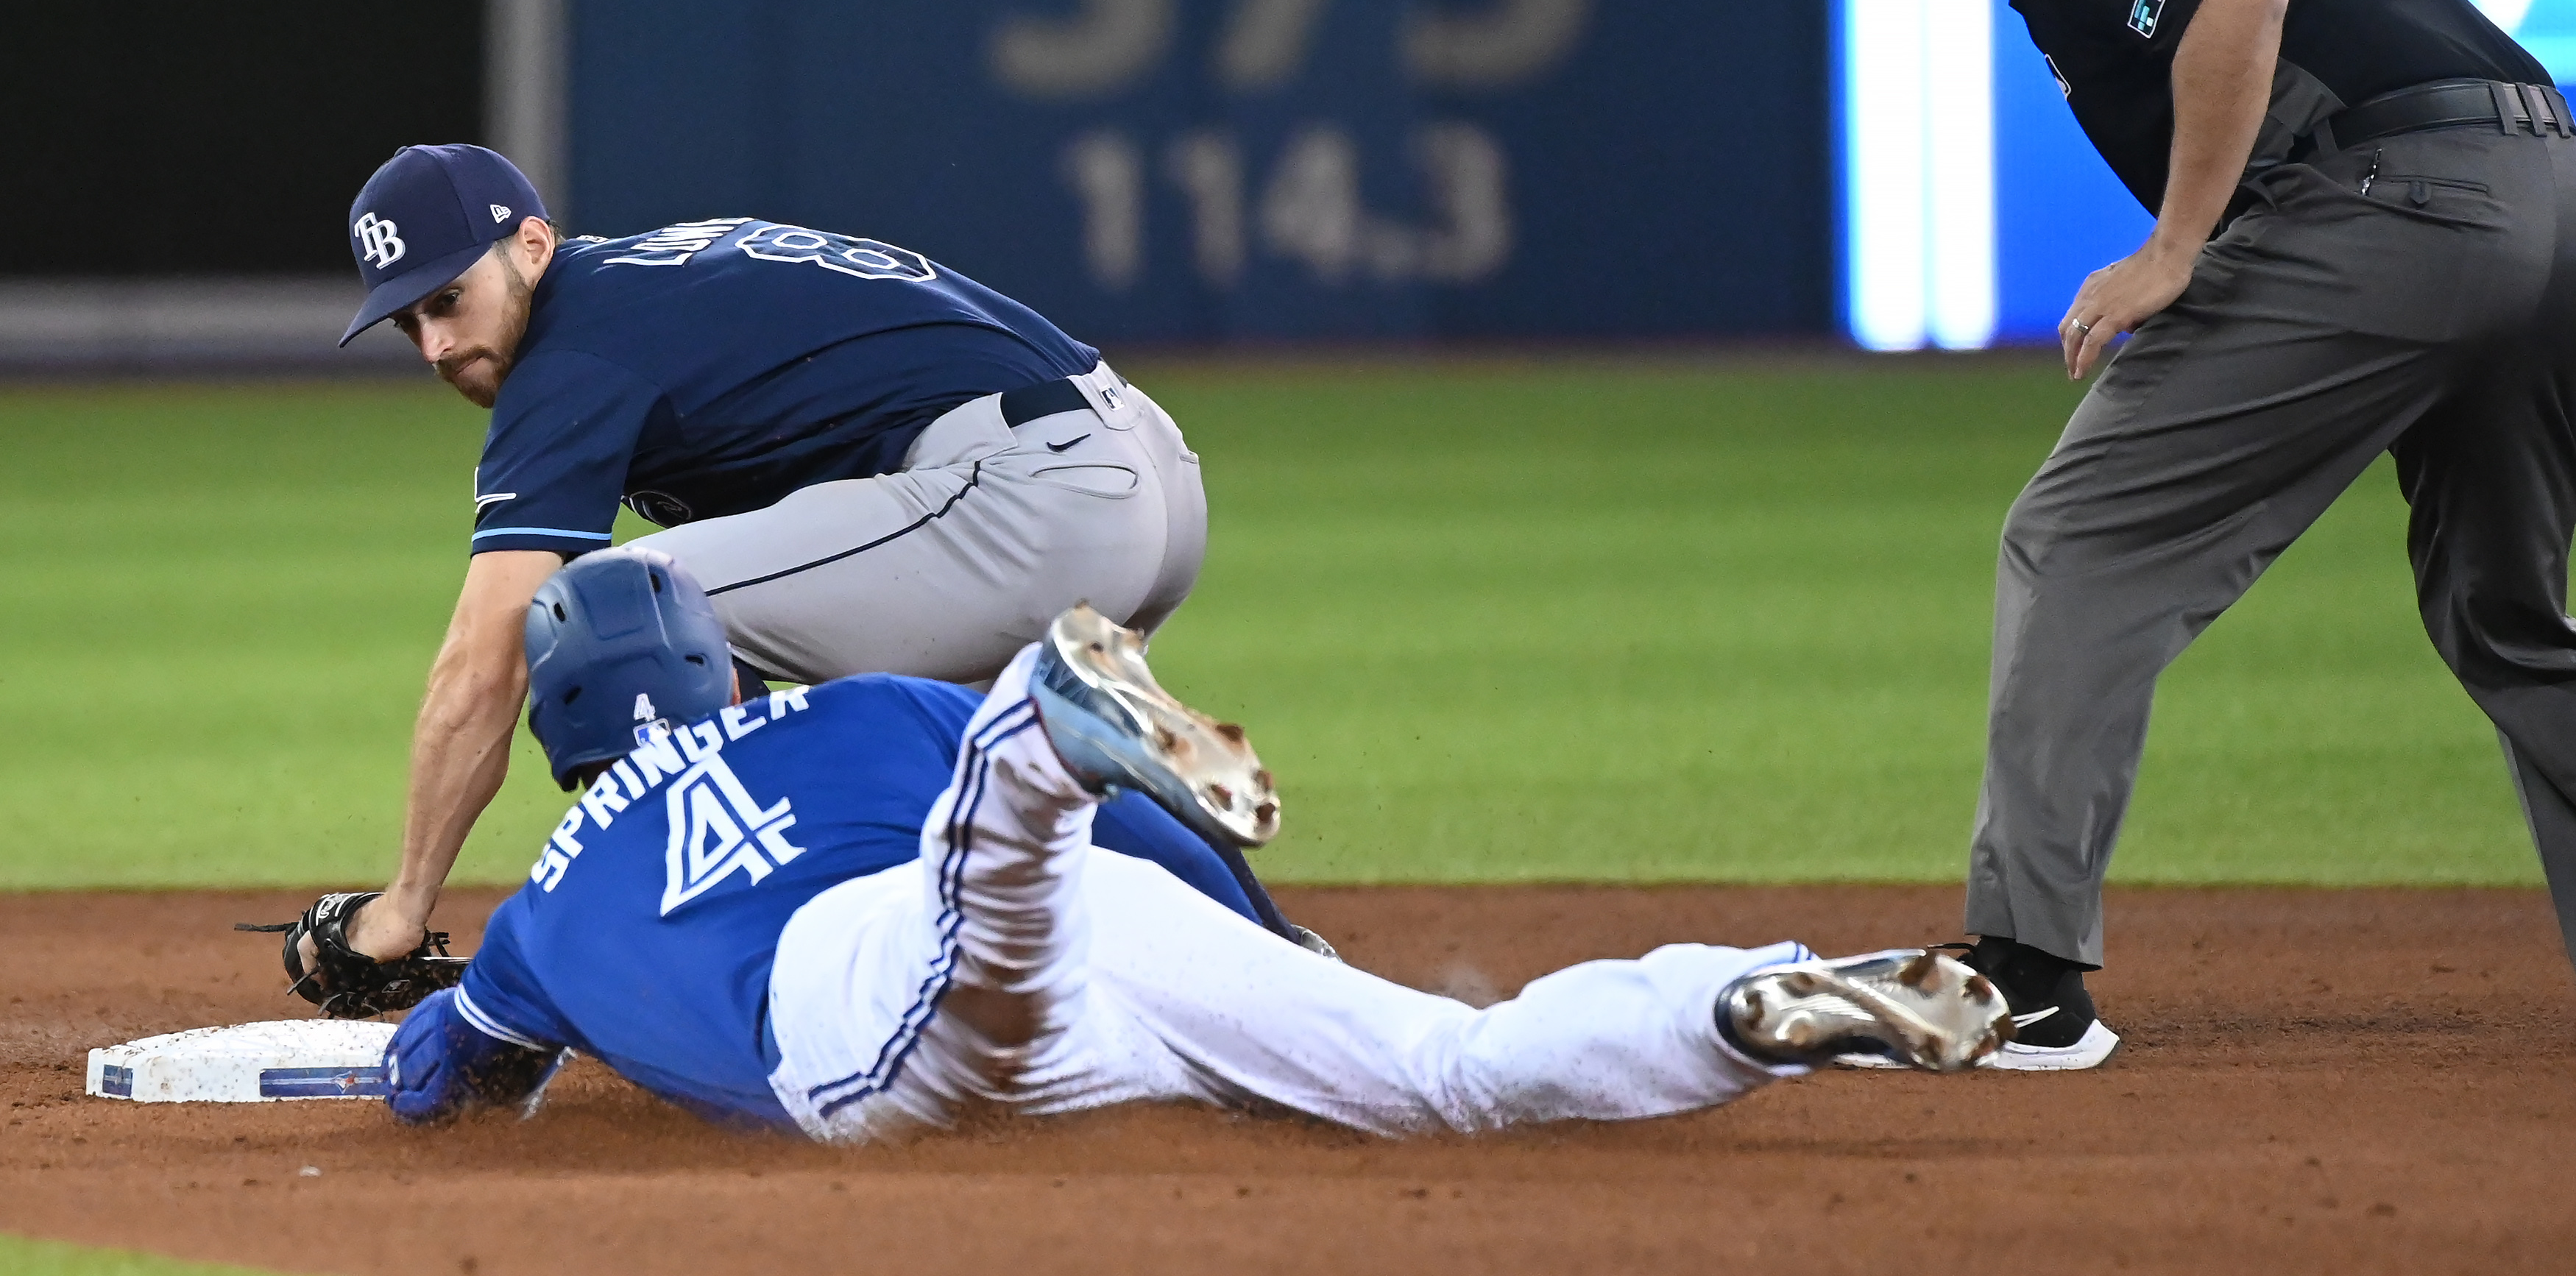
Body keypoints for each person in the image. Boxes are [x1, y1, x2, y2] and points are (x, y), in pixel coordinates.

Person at [1744, 0, 2576, 1069]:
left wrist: (2176, 251)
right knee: (2509, 617)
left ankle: (2028, 983)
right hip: (2545, 194)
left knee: (2079, 537)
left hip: (2402, 207)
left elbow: (2240, 2)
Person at [379, 550, 2011, 1135]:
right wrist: (1276, 936)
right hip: (1105, 935)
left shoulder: (546, 902)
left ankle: (1043, 731)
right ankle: (1739, 998)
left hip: (863, 1009)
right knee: (1453, 1071)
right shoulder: (854, 705)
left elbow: (442, 1078)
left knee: (977, 922)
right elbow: (1172, 866)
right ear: (726, 669)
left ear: (556, 737)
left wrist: (437, 1030)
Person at [322, 143, 1206, 973]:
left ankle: (710, 948)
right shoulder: (641, 285)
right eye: (409, 321)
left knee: (614, 612)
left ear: (532, 245)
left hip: (1034, 493)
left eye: (448, 299)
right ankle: (1244, 940)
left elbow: (486, 660)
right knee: (1003, 768)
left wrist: (401, 908)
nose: (434, 345)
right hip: (1133, 464)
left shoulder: (572, 350)